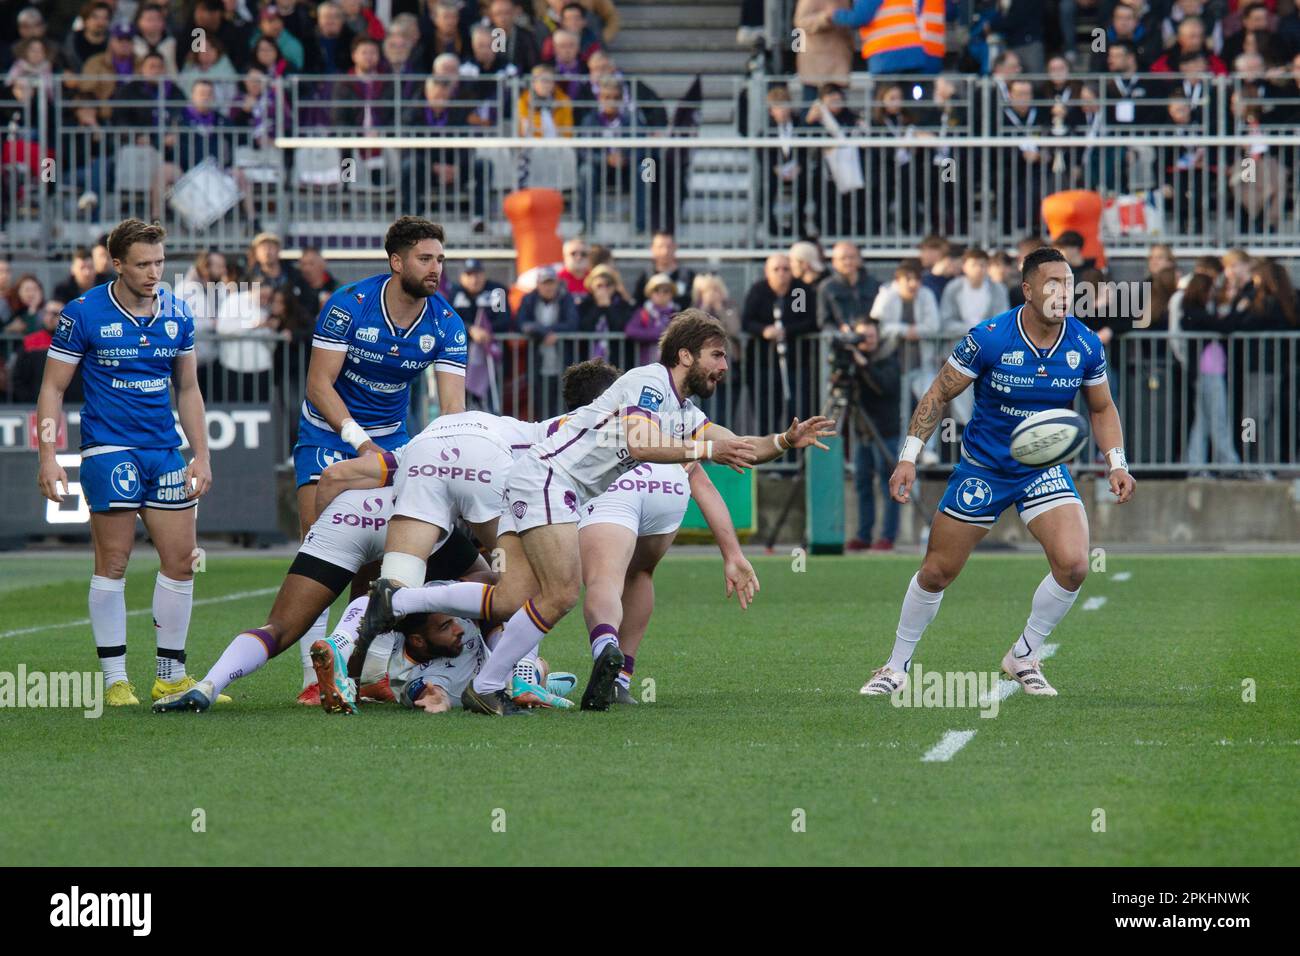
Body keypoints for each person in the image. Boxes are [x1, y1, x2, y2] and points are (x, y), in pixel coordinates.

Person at [358, 311, 836, 716]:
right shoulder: (650, 381)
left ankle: (395, 603)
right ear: (685, 355)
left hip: (539, 480)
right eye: (717, 355)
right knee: (562, 593)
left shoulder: (683, 409)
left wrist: (784, 441)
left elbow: (738, 445)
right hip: (549, 480)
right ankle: (485, 688)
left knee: (510, 599)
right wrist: (707, 450)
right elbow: (639, 442)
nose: (724, 366)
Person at [861, 248, 1136, 699]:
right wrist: (909, 455)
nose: (1062, 293)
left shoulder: (1085, 343)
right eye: (1052, 284)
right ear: (1027, 290)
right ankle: (895, 666)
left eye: (1068, 285)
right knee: (937, 571)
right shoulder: (990, 337)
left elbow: (1102, 407)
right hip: (984, 469)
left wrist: (1117, 464)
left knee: (1074, 565)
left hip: (1042, 470)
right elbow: (938, 393)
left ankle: (1024, 655)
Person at [36, 219, 214, 708]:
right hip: (108, 448)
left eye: (159, 262)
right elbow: (52, 388)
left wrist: (200, 453)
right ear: (117, 264)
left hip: (163, 450)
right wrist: (49, 456)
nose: (154, 272)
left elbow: (188, 388)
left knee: (181, 562)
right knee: (114, 561)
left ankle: (170, 676)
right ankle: (116, 679)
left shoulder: (178, 313)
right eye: (142, 264)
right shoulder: (83, 313)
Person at [290, 217, 467, 704]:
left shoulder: (447, 323)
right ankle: (312, 679)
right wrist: (358, 440)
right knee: (321, 562)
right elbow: (318, 384)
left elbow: (453, 410)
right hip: (328, 434)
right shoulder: (349, 306)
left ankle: (364, 673)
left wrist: (446, 458)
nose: (436, 269)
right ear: (397, 261)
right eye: (425, 259)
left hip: (393, 446)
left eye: (440, 260)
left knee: (377, 566)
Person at [843, 318, 902, 553]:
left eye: (870, 335)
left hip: (884, 430)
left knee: (890, 483)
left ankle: (887, 536)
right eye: (862, 336)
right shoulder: (855, 360)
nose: (866, 340)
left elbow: (883, 386)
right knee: (862, 485)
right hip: (863, 431)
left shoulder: (888, 359)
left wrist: (863, 363)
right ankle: (864, 535)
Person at [517, 267, 579, 420]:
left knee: (562, 403)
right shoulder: (529, 299)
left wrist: (552, 333)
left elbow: (572, 323)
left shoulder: (566, 298)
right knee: (539, 402)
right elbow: (522, 323)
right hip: (537, 361)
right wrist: (545, 333)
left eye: (552, 283)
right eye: (545, 283)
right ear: (538, 285)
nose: (549, 287)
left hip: (562, 361)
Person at [818, 241, 880, 331]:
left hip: (871, 339)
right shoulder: (827, 288)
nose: (848, 262)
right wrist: (840, 330)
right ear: (834, 262)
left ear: (859, 259)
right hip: (841, 341)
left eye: (852, 257)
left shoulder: (874, 284)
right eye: (843, 258)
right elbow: (824, 321)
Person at [626, 272, 677, 366]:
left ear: (671, 294)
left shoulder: (676, 314)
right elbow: (630, 331)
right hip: (646, 365)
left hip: (669, 367)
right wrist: (658, 334)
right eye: (657, 290)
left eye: (666, 291)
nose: (661, 294)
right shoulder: (643, 313)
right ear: (650, 293)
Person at [633, 231, 694, 310]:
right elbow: (637, 305)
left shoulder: (688, 276)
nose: (665, 251)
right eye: (660, 247)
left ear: (675, 247)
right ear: (652, 249)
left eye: (669, 247)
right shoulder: (645, 277)